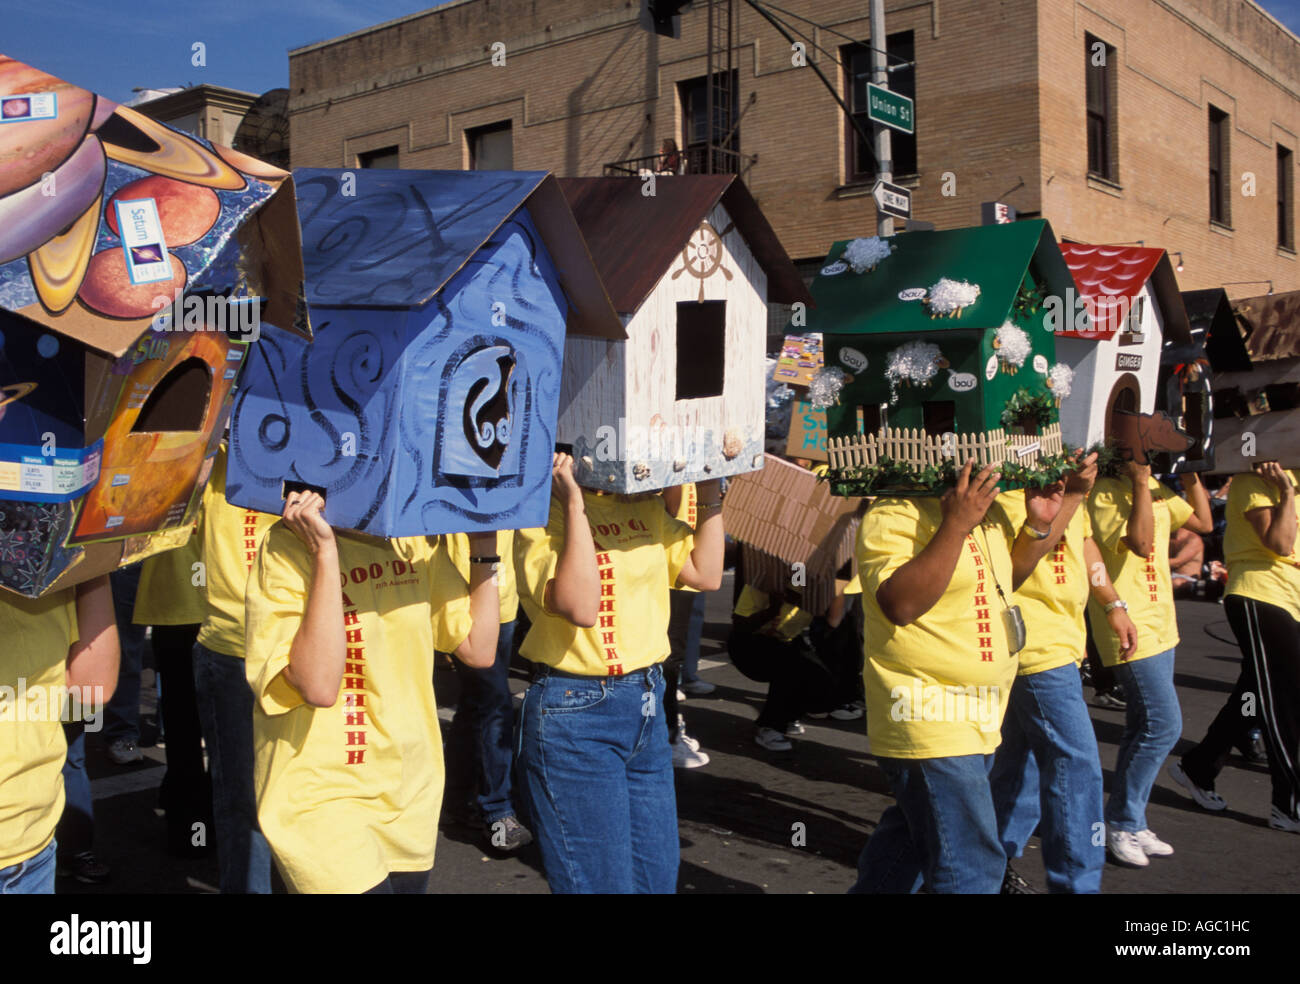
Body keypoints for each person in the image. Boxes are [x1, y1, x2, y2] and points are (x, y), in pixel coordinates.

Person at [849, 456, 1093, 894]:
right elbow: (900, 604)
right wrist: (956, 525)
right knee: (973, 868)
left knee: (905, 850)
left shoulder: (989, 510)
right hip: (925, 712)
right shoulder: (894, 512)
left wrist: (1039, 525)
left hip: (978, 713)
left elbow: (1008, 575)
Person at [244, 490, 500, 893]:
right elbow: (318, 684)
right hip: (323, 795)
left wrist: (485, 546)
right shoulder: (286, 546)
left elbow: (478, 648)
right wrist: (325, 554)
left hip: (408, 789)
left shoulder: (412, 538)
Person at [514, 455, 723, 893]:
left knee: (656, 881)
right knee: (601, 884)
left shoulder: (643, 508)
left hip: (647, 707)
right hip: (576, 714)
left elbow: (706, 574)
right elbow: (582, 607)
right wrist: (574, 504)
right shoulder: (540, 515)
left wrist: (709, 493)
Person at [989, 482, 1137, 894]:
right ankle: (1075, 884)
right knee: (1078, 768)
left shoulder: (1065, 481)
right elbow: (1021, 562)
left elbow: (1084, 542)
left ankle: (979, 867)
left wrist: (1112, 603)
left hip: (1063, 642)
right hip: (1035, 644)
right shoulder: (1008, 489)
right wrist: (1072, 496)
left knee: (1020, 766)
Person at [1086, 462, 1212, 866]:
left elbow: (1204, 523)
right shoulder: (1104, 491)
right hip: (1128, 621)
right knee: (1163, 724)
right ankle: (1121, 822)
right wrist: (1140, 482)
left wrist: (1193, 474)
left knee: (1142, 725)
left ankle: (1132, 819)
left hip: (1162, 619)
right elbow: (1140, 543)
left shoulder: (1155, 484)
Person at [1170, 461, 1300, 832]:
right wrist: (1287, 493)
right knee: (1287, 699)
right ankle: (1287, 804)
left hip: (1292, 599)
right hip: (1259, 596)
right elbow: (1280, 543)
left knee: (1254, 695)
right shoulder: (1252, 481)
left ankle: (1198, 766)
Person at [192, 445, 278, 893]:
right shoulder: (214, 452)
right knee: (243, 802)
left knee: (306, 794)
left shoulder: (315, 445)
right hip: (232, 653)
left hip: (302, 651)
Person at [0, 576, 118, 894]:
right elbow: (92, 691)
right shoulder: (45, 557)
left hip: (31, 835)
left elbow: (92, 690)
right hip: (28, 828)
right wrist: (97, 556)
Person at [444, 530, 534, 851]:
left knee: (476, 703)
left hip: (502, 597)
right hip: (458, 593)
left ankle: (455, 803)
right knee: (494, 704)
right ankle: (498, 811)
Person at [133, 527, 211, 857]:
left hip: (181, 599)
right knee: (227, 734)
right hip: (216, 603)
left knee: (183, 727)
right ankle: (196, 827)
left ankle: (190, 825)